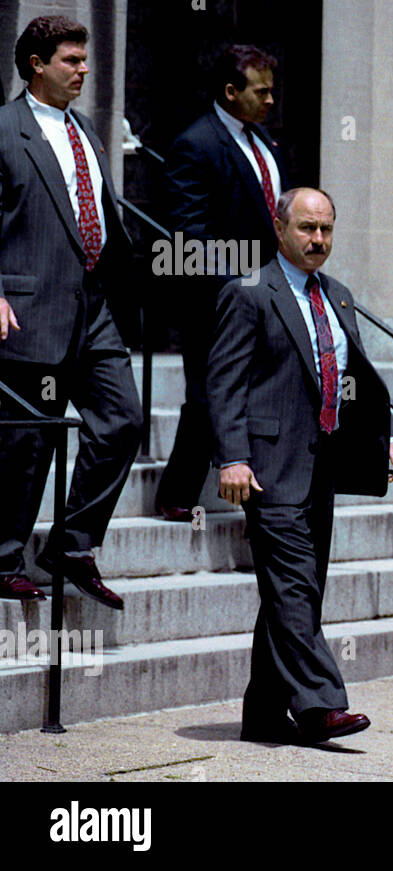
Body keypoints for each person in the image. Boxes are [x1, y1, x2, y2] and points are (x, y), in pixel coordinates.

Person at [207, 187, 393, 744]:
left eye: (325, 230)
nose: (318, 240)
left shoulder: (338, 296)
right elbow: (223, 383)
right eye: (306, 228)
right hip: (267, 469)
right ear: (279, 229)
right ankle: (320, 705)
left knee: (296, 589)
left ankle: (265, 713)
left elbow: (356, 383)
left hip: (322, 468)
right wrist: (232, 457)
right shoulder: (249, 292)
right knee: (294, 586)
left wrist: (386, 436)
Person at [0, 15, 142, 608]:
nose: (85, 69)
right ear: (36, 64)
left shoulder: (85, 128)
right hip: (30, 308)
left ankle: (73, 544)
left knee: (124, 419)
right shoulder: (5, 129)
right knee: (27, 442)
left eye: (85, 59)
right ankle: (4, 556)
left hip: (93, 305)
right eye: (72, 60)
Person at [155, 44, 286, 521]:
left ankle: (264, 497)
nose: (271, 100)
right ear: (231, 92)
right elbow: (188, 239)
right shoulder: (196, 144)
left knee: (261, 395)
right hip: (217, 298)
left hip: (272, 297)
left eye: (272, 90)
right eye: (261, 91)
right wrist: (247, 280)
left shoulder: (266, 146)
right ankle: (176, 493)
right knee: (210, 395)